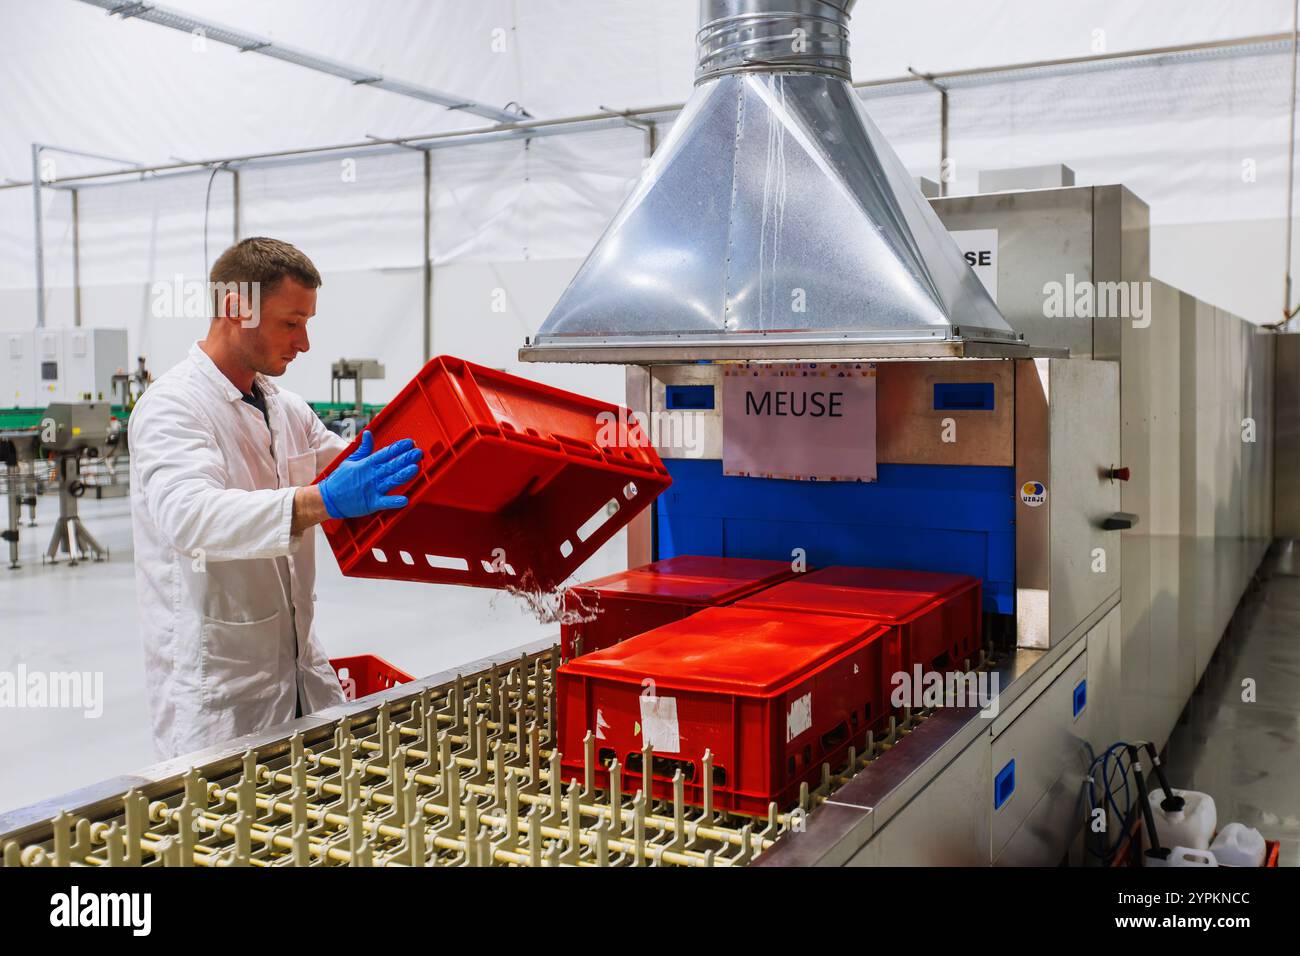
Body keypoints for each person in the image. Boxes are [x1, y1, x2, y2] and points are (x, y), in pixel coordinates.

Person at [128, 237, 422, 760]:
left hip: (300, 671)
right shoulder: (172, 407)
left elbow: (350, 467)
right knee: (228, 836)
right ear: (234, 308)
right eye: (291, 323)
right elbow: (189, 517)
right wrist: (319, 501)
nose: (304, 343)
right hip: (221, 691)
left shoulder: (286, 409)